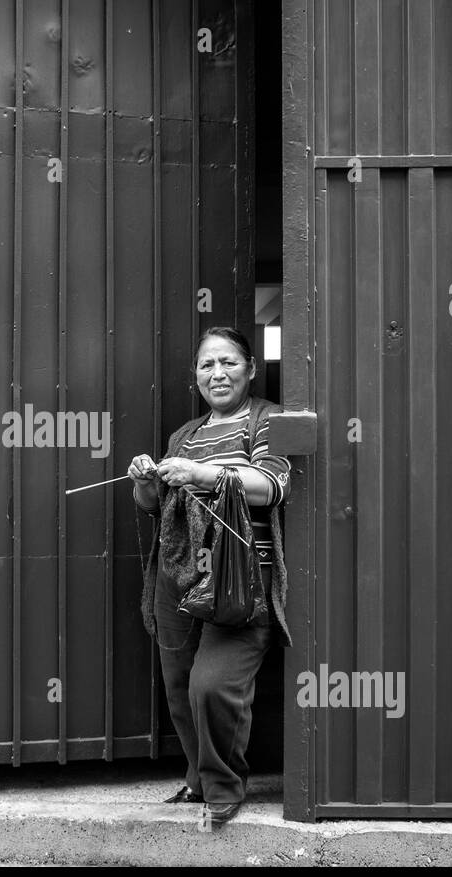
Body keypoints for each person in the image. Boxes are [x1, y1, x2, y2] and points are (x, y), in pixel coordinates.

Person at [129, 326, 292, 827]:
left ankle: (223, 787)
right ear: (195, 375)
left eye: (229, 362)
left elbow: (272, 485)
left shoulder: (268, 420)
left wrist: (203, 475)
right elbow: (157, 508)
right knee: (179, 687)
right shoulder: (186, 435)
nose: (217, 373)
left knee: (211, 685)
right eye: (206, 365)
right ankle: (199, 783)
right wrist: (145, 482)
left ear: (250, 369)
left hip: (239, 578)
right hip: (180, 576)